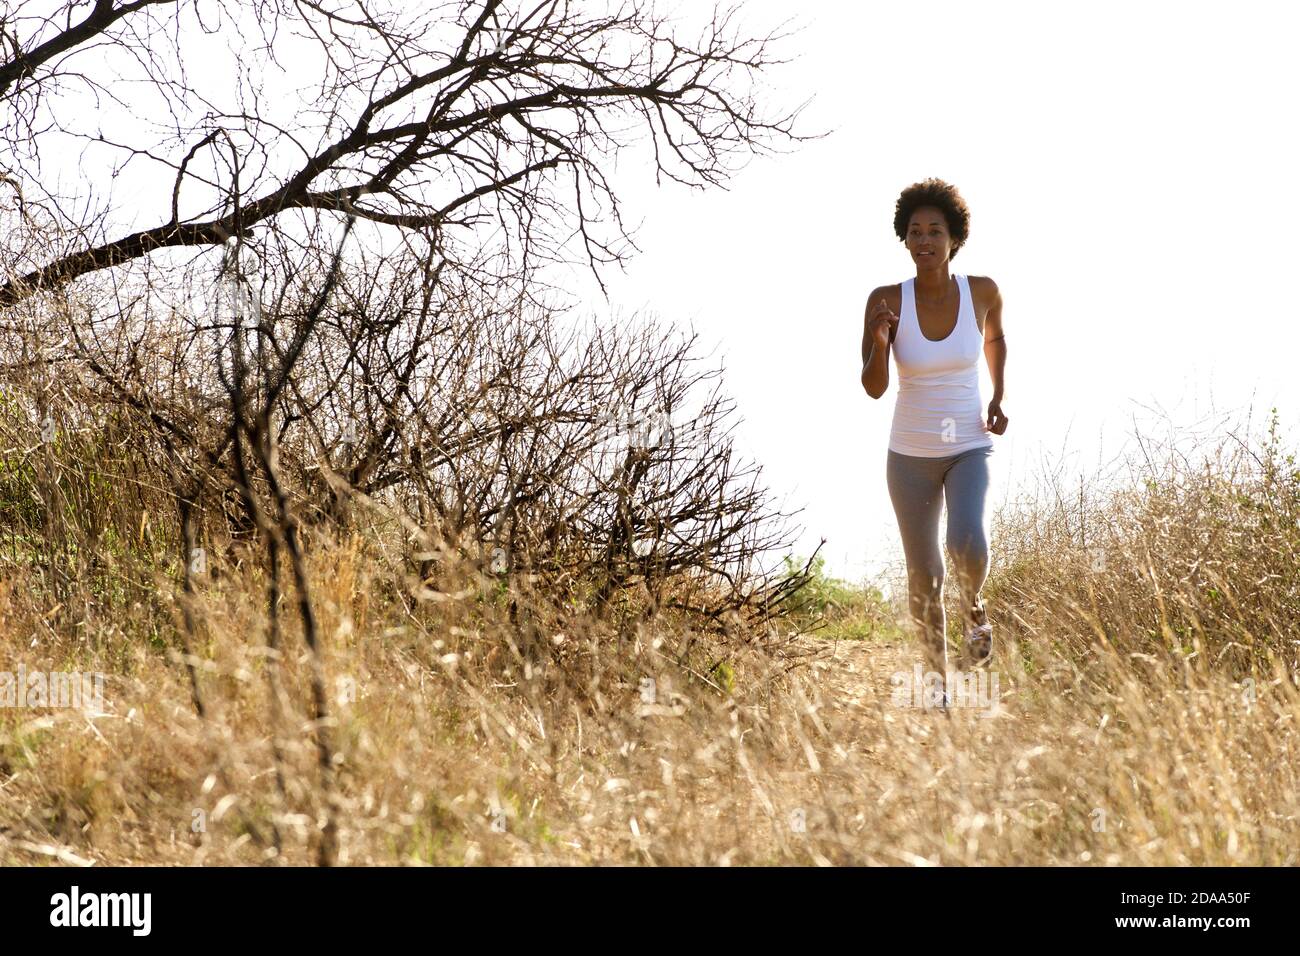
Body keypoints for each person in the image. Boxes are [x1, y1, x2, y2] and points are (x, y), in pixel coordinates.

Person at [860, 178, 1008, 699]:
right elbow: (874, 388)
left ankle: (975, 610)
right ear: (904, 238)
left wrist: (998, 397)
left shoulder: (983, 290)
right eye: (915, 231)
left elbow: (995, 338)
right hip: (909, 456)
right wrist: (880, 343)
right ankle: (935, 690)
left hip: (967, 445)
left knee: (965, 541)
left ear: (954, 238)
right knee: (924, 576)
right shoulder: (884, 300)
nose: (924, 240)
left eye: (935, 231)